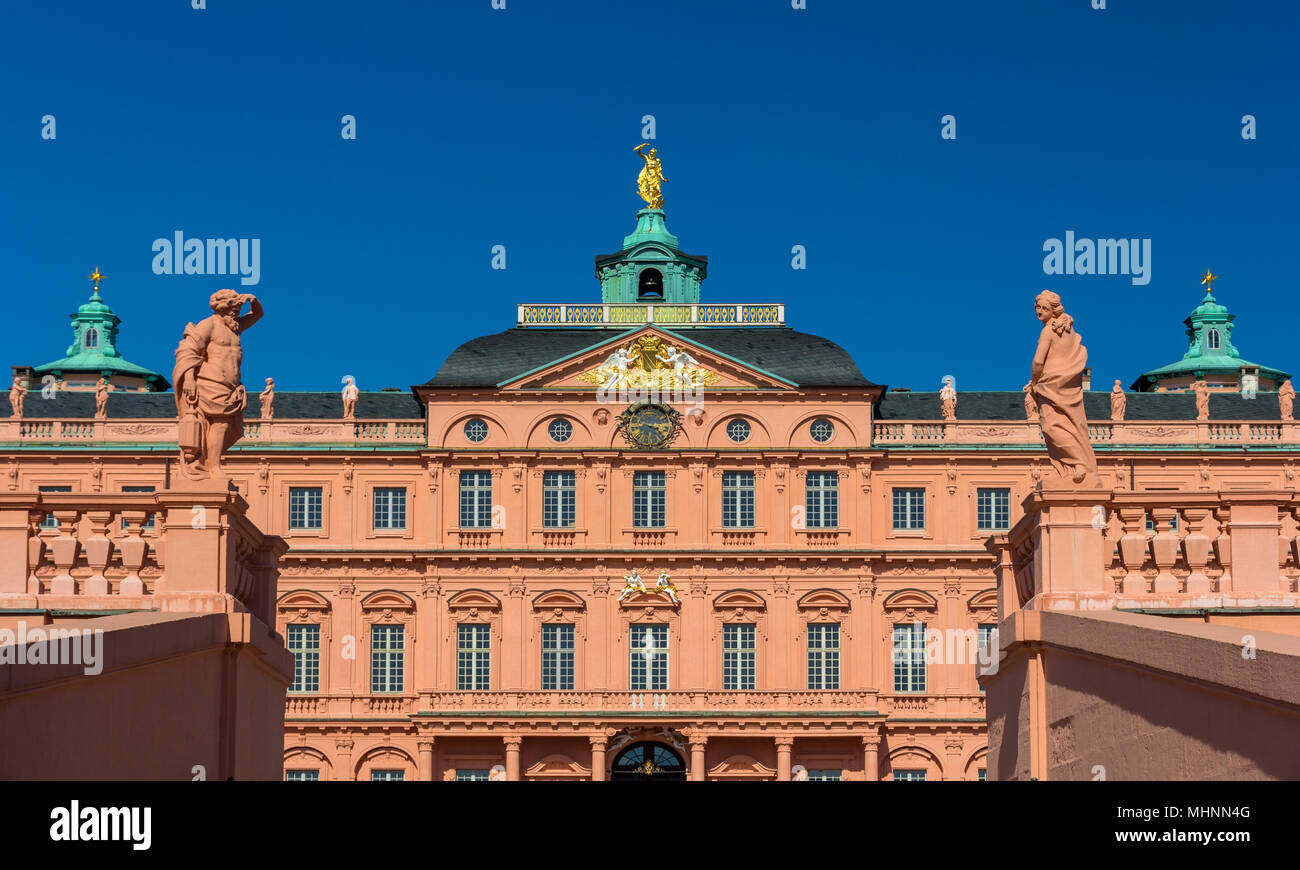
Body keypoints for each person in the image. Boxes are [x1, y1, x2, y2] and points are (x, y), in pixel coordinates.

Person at [173, 289, 263, 480]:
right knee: (219, 424)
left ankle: (212, 465)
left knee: (224, 426)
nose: (236, 314)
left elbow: (258, 315)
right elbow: (188, 351)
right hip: (210, 384)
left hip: (231, 387)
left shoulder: (235, 326)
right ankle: (213, 468)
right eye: (234, 310)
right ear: (223, 308)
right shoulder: (208, 325)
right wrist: (189, 378)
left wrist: (253, 300)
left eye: (238, 311)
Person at [1027, 291, 1096, 484]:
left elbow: (1038, 362)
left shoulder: (1048, 331)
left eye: (1044, 308)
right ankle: (1067, 470)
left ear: (1053, 310)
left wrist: (1034, 383)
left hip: (1051, 386)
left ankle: (1078, 463)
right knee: (1070, 427)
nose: (1039, 312)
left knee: (1051, 427)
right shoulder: (1070, 332)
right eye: (1037, 307)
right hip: (1066, 385)